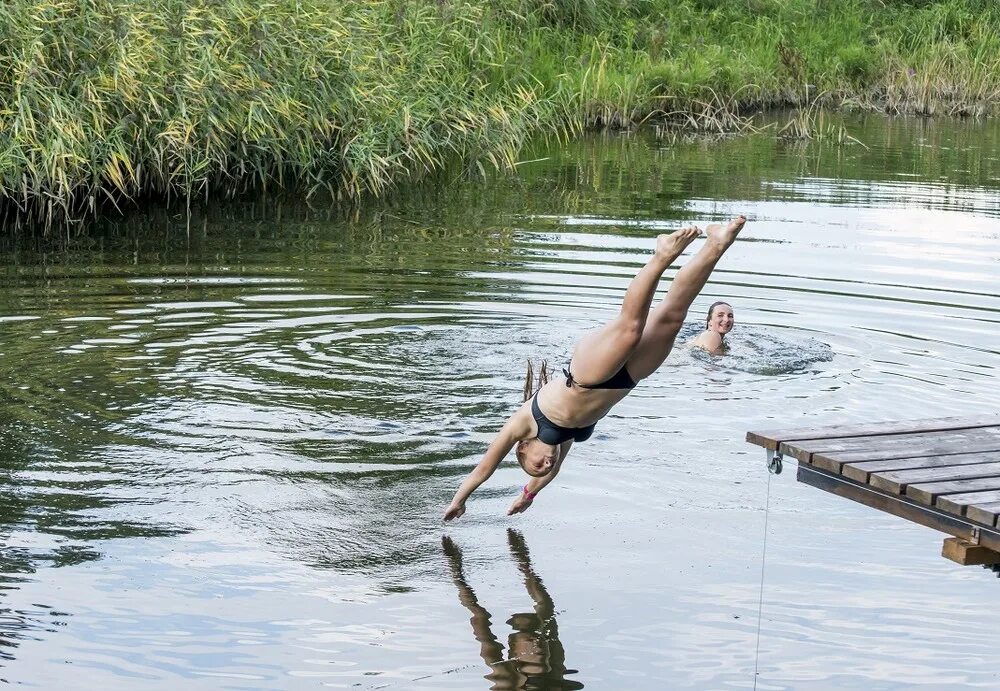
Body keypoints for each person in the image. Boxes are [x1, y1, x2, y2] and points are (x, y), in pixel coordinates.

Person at [443, 215, 747, 521]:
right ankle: (716, 243)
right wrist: (528, 495)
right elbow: (549, 475)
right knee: (672, 316)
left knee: (630, 328)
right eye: (544, 468)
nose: (545, 466)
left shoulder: (521, 424)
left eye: (536, 465)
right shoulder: (561, 447)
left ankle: (662, 255)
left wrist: (460, 500)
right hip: (626, 379)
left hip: (586, 376)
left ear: (522, 448)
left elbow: (484, 468)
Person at [442, 530, 583, 690]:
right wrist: (525, 564)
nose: (537, 645)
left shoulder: (505, 677)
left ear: (513, 649)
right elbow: (546, 608)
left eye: (537, 652)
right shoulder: (553, 666)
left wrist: (457, 575)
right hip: (546, 673)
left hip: (521, 675)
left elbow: (480, 620)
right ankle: (524, 564)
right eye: (541, 651)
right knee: (547, 619)